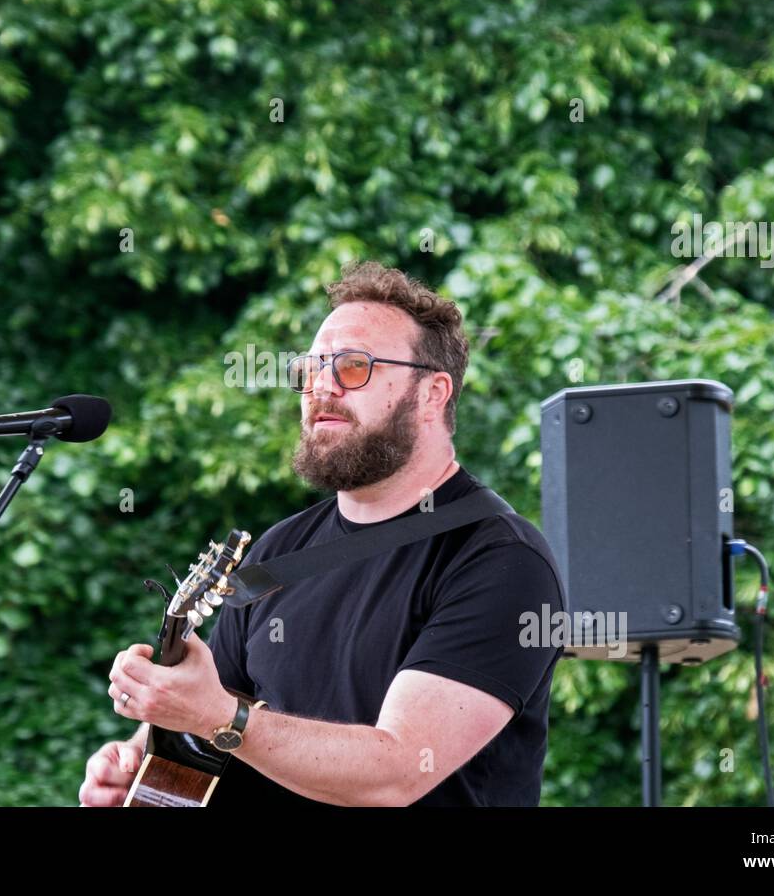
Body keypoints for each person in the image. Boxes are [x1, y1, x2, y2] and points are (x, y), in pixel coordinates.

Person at [79, 261, 564, 807]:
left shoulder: (502, 562)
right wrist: (142, 753)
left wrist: (218, 714)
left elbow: (398, 771)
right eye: (312, 368)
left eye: (354, 366)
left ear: (432, 393)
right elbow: (215, 713)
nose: (322, 387)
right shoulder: (277, 552)